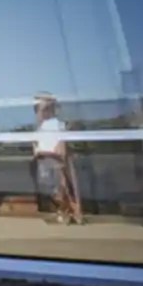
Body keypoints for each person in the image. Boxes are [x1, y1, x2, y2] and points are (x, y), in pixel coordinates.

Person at [33, 93, 84, 225]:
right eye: (38, 109)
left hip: (55, 160)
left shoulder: (57, 124)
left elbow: (61, 145)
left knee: (61, 188)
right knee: (51, 188)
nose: (40, 113)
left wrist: (58, 156)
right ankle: (63, 211)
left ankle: (69, 211)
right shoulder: (39, 127)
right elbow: (37, 144)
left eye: (44, 109)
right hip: (44, 160)